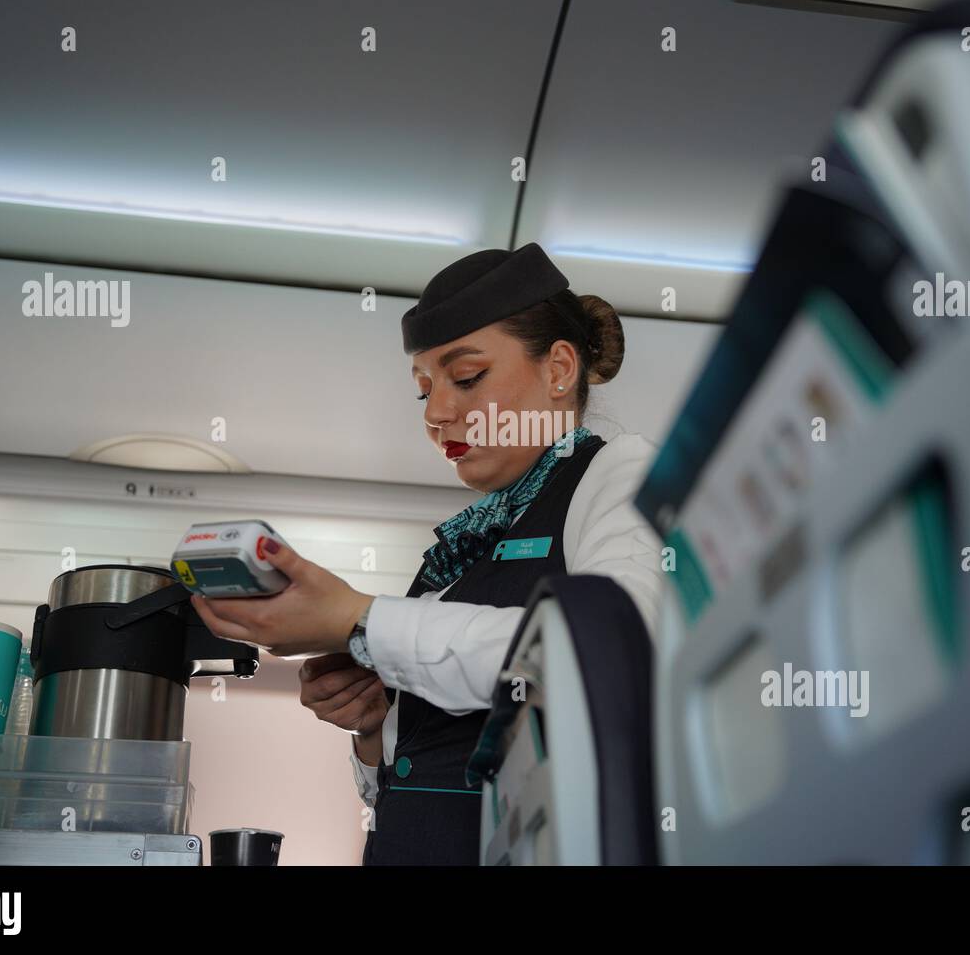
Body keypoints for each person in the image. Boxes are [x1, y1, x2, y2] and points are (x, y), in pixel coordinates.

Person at [191, 242, 664, 865]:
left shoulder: (617, 474)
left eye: (466, 378)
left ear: (559, 370)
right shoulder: (462, 545)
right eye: (424, 391)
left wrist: (358, 619)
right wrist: (372, 724)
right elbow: (415, 770)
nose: (438, 413)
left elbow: (606, 651)